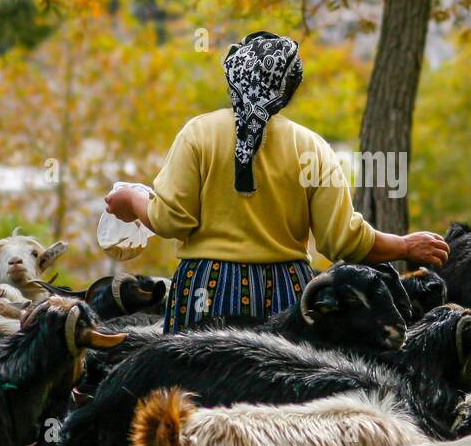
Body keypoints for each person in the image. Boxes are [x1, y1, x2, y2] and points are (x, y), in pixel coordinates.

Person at [105, 31, 449, 332]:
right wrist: (404, 246)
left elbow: (170, 220)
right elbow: (341, 240)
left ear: (234, 78)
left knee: (196, 398)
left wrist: (132, 201)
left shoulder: (199, 134)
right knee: (278, 402)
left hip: (204, 294)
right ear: (288, 88)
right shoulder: (310, 146)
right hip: (286, 298)